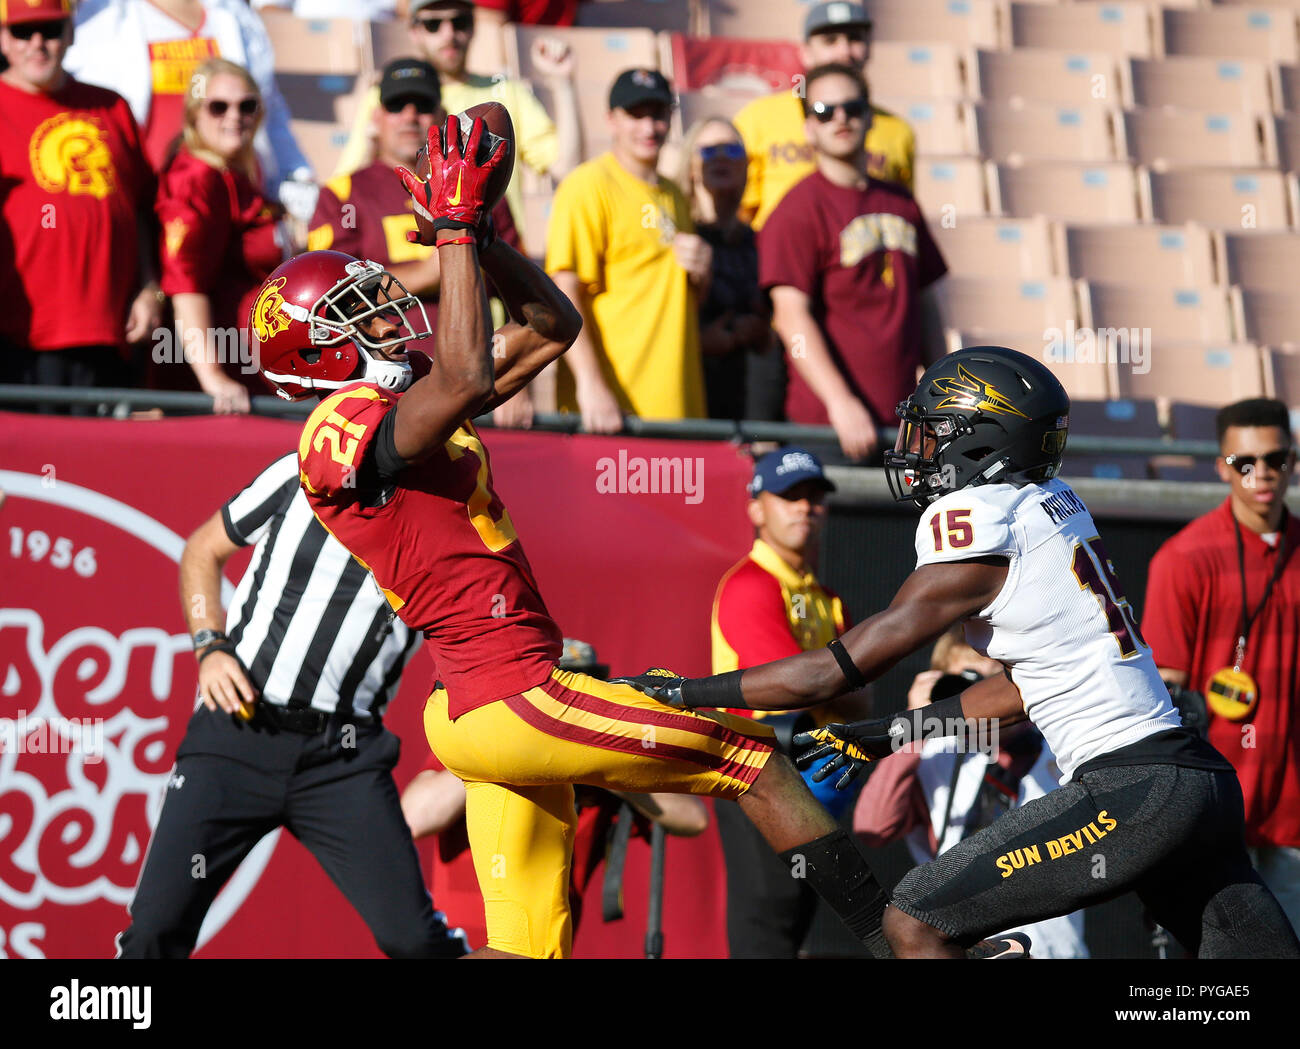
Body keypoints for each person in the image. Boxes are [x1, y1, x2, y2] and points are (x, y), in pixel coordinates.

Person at [250, 111, 903, 960]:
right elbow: (469, 370)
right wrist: (450, 232)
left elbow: (554, 327)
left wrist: (479, 239)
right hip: (510, 693)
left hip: (481, 701)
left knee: (526, 950)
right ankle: (903, 942)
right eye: (360, 315)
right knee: (751, 755)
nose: (386, 315)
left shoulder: (398, 405)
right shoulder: (336, 425)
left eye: (378, 298)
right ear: (318, 356)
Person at [617, 345, 1300, 959]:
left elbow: (832, 668)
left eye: (935, 431)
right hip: (1198, 782)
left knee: (915, 920)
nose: (920, 447)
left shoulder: (983, 518)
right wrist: (887, 733)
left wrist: (685, 693)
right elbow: (1017, 692)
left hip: (1132, 788)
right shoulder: (1052, 505)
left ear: (981, 440)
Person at [116, 447, 466, 959]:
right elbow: (202, 549)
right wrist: (210, 646)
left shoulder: (451, 513)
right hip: (239, 731)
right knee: (155, 928)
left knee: (414, 939)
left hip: (342, 756)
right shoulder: (303, 468)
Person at [401, 638, 709, 949]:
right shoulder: (471, 744)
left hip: (546, 945)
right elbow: (414, 818)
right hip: (460, 942)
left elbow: (692, 818)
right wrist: (505, 744)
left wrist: (597, 761)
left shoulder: (596, 779)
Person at [1142, 397, 1300, 936]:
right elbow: (1165, 704)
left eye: (1276, 459)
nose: (1262, 474)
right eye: (1244, 463)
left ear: (1293, 462)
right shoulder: (1183, 560)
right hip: (1217, 813)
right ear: (1221, 467)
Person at [710, 447, 874, 958]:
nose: (805, 508)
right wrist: (834, 686)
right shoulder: (749, 585)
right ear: (756, 509)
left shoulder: (826, 597)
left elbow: (860, 698)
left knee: (796, 917)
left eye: (814, 498)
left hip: (808, 778)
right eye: (789, 497)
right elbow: (796, 688)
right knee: (769, 920)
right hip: (757, 773)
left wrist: (833, 687)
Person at [854, 626, 1089, 959]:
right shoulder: (934, 757)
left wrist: (1018, 717)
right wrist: (916, 726)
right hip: (963, 945)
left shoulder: (1063, 749)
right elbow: (873, 827)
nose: (978, 701)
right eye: (962, 686)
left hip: (1055, 947)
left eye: (992, 681)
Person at [761, 62, 947, 462]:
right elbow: (789, 318)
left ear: (869, 116)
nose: (841, 118)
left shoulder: (902, 202)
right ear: (809, 126)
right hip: (827, 428)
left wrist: (942, 394)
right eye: (825, 111)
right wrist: (839, 402)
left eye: (853, 108)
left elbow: (926, 306)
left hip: (903, 427)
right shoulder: (797, 209)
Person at [0, 0, 161, 402]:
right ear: (3, 39)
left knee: (101, 462)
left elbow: (142, 208)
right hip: (19, 338)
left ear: (71, 33)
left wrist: (148, 289)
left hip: (112, 333)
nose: (38, 44)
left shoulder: (112, 106)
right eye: (23, 32)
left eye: (51, 31)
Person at [334, 0, 579, 247]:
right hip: (408, 257)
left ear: (474, 27)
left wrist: (562, 83)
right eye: (433, 24)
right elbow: (343, 193)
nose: (448, 34)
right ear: (414, 31)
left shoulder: (506, 92)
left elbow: (567, 169)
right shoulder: (387, 97)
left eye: (459, 22)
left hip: (494, 253)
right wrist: (370, 142)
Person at [547, 68, 711, 431]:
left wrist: (704, 272)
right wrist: (591, 385)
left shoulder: (675, 195)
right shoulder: (586, 186)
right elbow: (565, 291)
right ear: (611, 120)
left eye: (658, 114)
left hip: (678, 402)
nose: (649, 127)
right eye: (635, 114)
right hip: (614, 409)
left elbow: (678, 300)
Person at [64, 0, 313, 214]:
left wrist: (296, 176)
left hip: (240, 202)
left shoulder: (233, 14)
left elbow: (270, 109)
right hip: (154, 208)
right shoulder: (100, 20)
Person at [156, 57, 289, 412]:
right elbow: (186, 285)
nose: (235, 116)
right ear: (194, 115)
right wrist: (213, 378)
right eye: (219, 106)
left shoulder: (237, 173)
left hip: (249, 365)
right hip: (216, 382)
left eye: (247, 105)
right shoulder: (196, 178)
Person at [733, 0, 914, 232]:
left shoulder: (898, 132)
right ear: (806, 53)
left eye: (855, 39)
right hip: (783, 261)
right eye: (830, 41)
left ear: (870, 47)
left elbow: (903, 219)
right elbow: (740, 218)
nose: (844, 51)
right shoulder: (757, 119)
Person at [676, 117, 773, 422]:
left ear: (746, 166)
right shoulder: (679, 238)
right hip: (693, 401)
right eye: (708, 151)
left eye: (731, 151)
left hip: (755, 405)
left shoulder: (761, 241)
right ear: (691, 166)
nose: (720, 158)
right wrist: (701, 341)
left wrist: (759, 333)